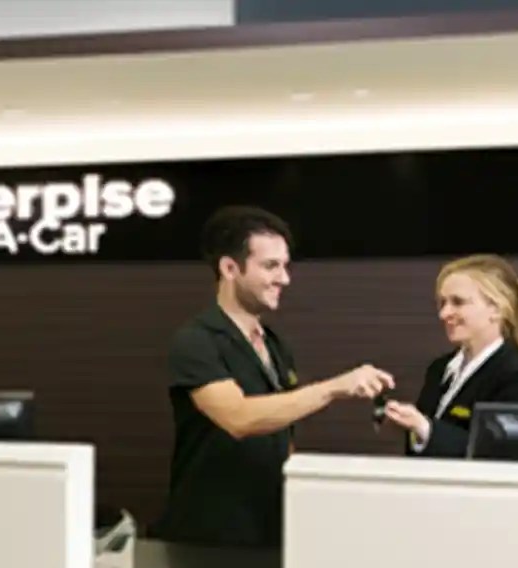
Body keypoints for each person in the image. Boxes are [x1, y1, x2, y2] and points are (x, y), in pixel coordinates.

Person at [156, 205, 395, 547]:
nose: (284, 278)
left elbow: (282, 434)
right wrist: (335, 388)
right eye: (270, 266)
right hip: (209, 537)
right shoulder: (197, 341)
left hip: (269, 531)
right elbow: (239, 418)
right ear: (229, 268)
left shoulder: (275, 344)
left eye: (285, 266)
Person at [384, 254, 518, 457]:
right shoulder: (439, 369)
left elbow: (502, 455)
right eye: (442, 303)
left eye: (458, 302)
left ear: (496, 309)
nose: (444, 313)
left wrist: (425, 428)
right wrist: (415, 428)